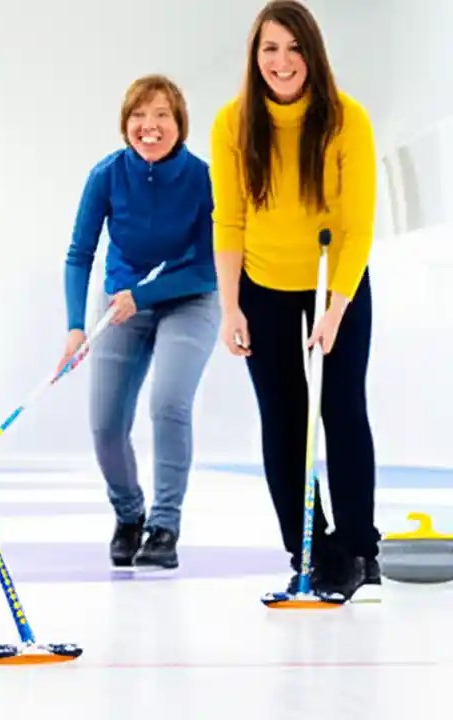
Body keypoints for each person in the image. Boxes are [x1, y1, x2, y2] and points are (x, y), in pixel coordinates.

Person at [210, 0, 379, 600]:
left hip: (335, 283)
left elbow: (357, 225)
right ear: (255, 58)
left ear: (312, 54)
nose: (281, 62)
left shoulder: (345, 120)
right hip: (263, 286)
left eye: (293, 48)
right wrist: (231, 307)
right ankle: (309, 548)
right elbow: (228, 221)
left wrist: (335, 311)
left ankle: (361, 548)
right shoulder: (233, 123)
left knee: (341, 410)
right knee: (282, 424)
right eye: (269, 49)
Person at [64, 74, 219, 571]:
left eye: (162, 117)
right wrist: (75, 327)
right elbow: (79, 254)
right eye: (139, 117)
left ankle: (164, 525)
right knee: (106, 424)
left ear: (180, 125)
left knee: (168, 404)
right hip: (119, 303)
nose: (149, 127)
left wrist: (146, 294)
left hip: (189, 300)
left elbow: (210, 263)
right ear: (125, 124)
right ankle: (130, 515)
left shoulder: (203, 178)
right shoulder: (106, 175)